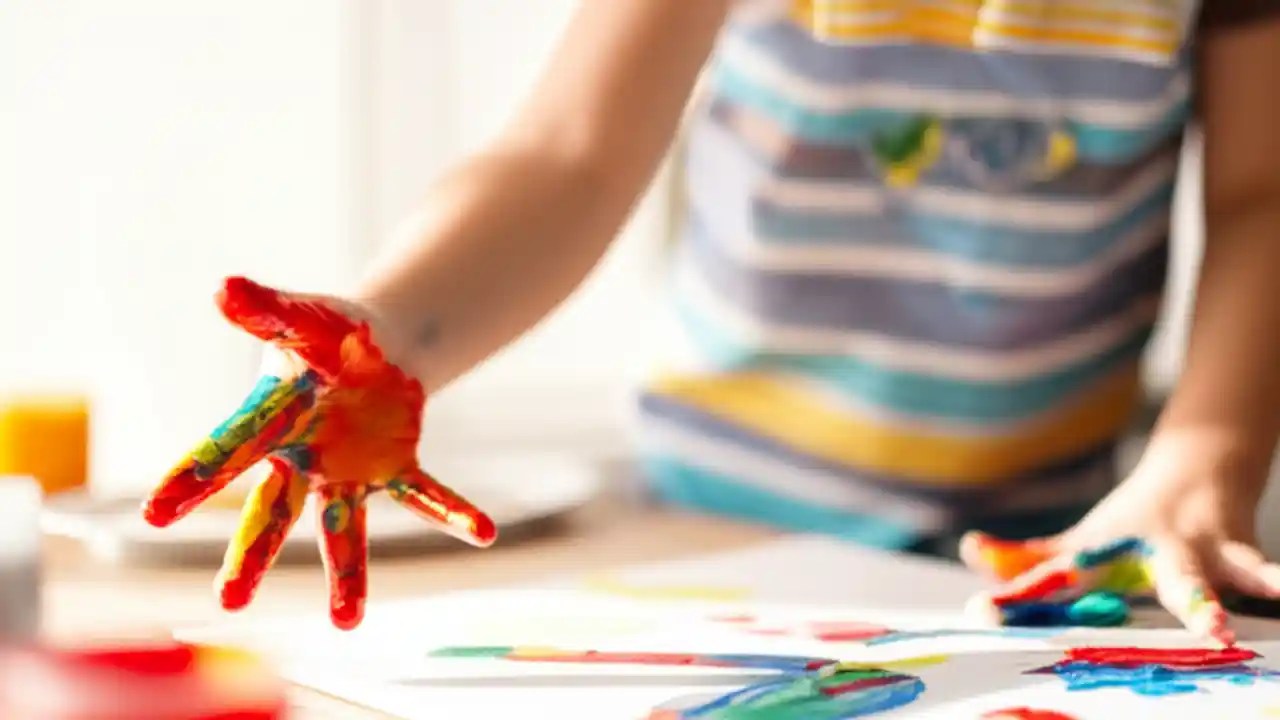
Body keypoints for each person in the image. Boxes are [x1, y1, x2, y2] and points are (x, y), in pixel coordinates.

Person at [151, 0, 1280, 638]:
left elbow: (1257, 194)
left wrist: (1202, 459)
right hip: (709, 533)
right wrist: (386, 328)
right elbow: (567, 155)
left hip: (1064, 542)